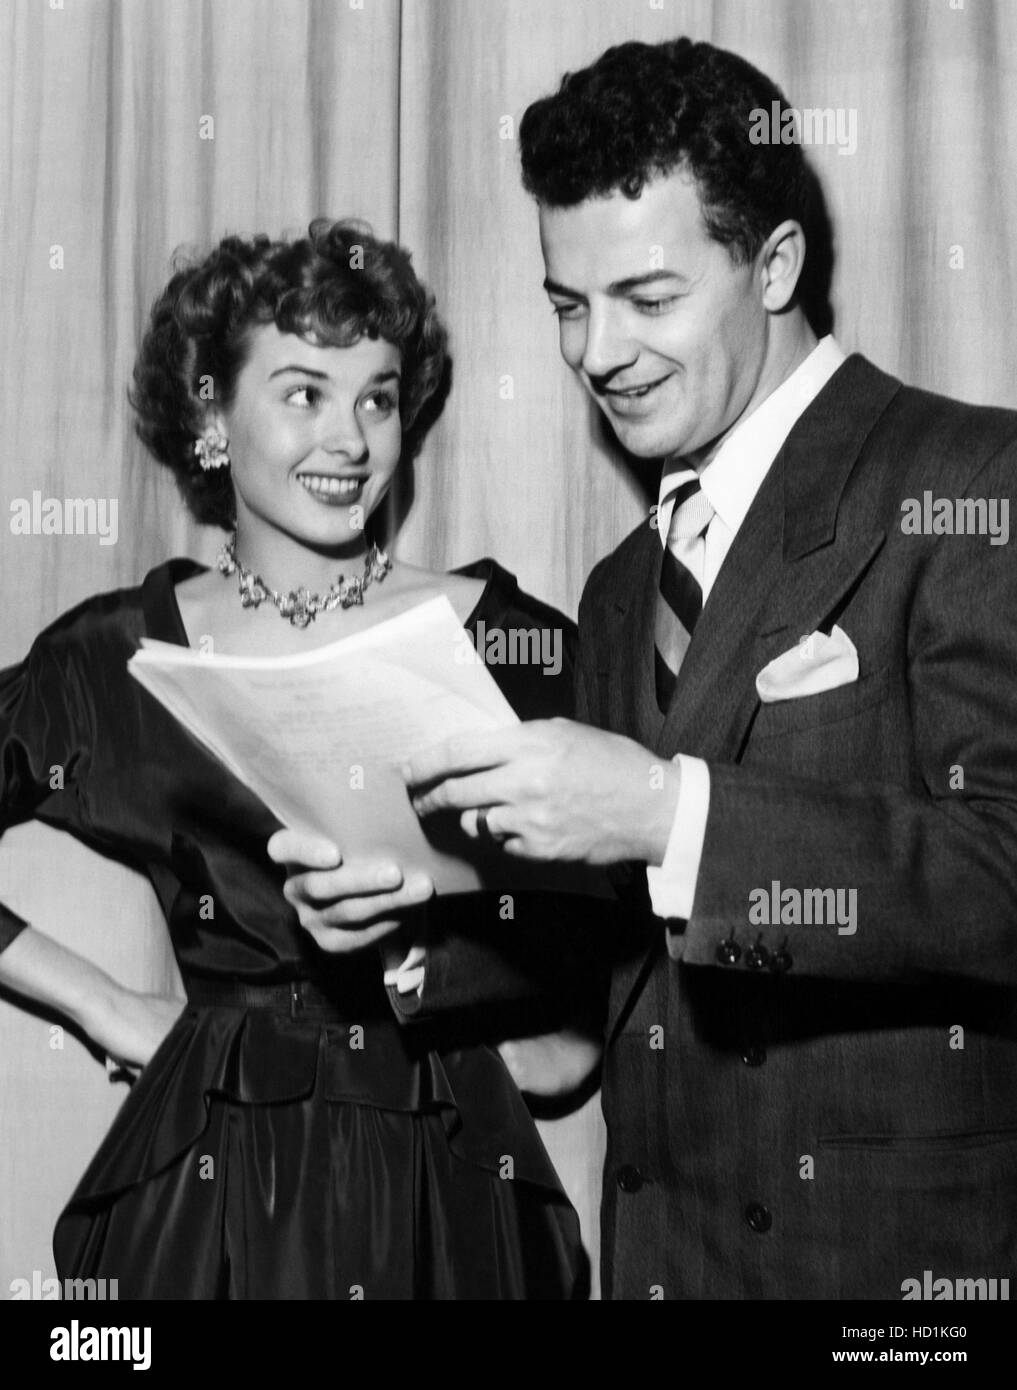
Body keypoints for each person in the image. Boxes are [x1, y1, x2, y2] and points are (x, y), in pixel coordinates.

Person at [391, 39, 1017, 1299]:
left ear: (774, 265)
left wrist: (671, 811)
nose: (597, 352)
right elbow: (624, 939)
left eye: (648, 297)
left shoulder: (972, 483)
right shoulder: (625, 586)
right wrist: (412, 918)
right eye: (570, 305)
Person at [0, 218, 602, 1299]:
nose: (351, 439)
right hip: (209, 1193)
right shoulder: (114, 658)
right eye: (302, 393)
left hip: (446, 1188)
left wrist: (520, 1017)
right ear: (211, 414)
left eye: (376, 396)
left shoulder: (521, 644)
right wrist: (104, 1004)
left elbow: (609, 948)